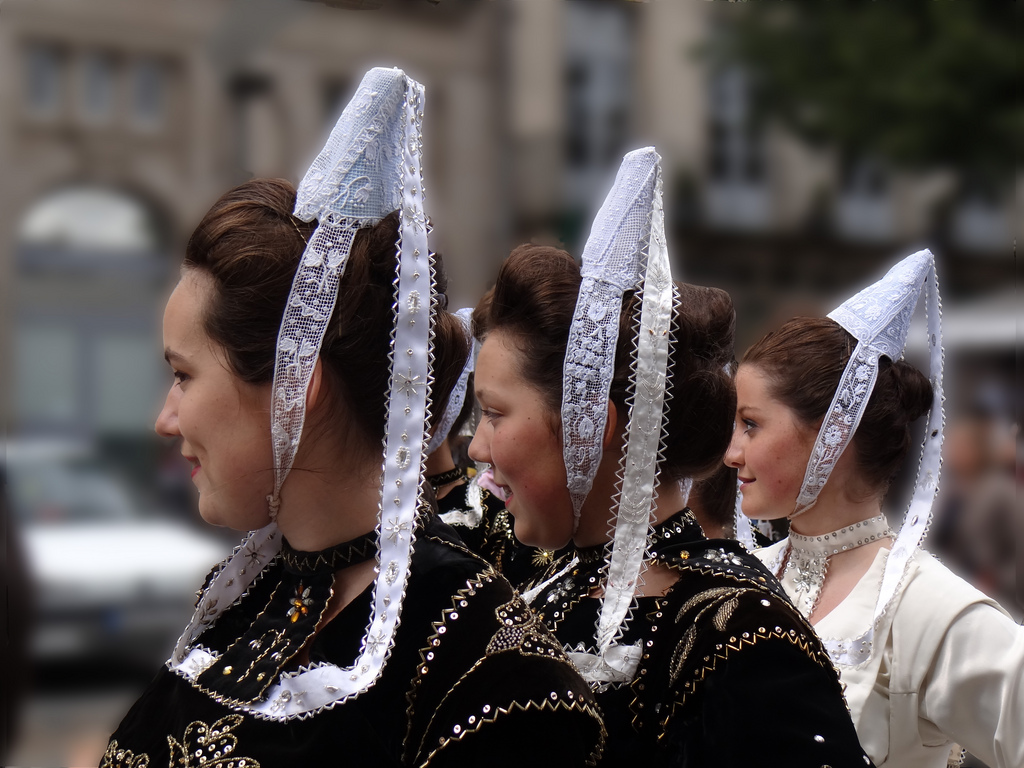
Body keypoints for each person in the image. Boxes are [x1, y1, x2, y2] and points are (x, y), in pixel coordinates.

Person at [102, 68, 604, 768]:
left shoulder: (487, 673)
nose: (165, 418)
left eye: (184, 375)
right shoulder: (245, 596)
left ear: (294, 388)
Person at [468, 148, 873, 766]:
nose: (476, 447)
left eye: (495, 415)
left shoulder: (736, 631)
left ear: (586, 425)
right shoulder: (540, 581)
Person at [725, 250, 1024, 768]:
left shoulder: (927, 609)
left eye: (751, 424)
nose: (731, 451)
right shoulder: (744, 579)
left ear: (832, 437)